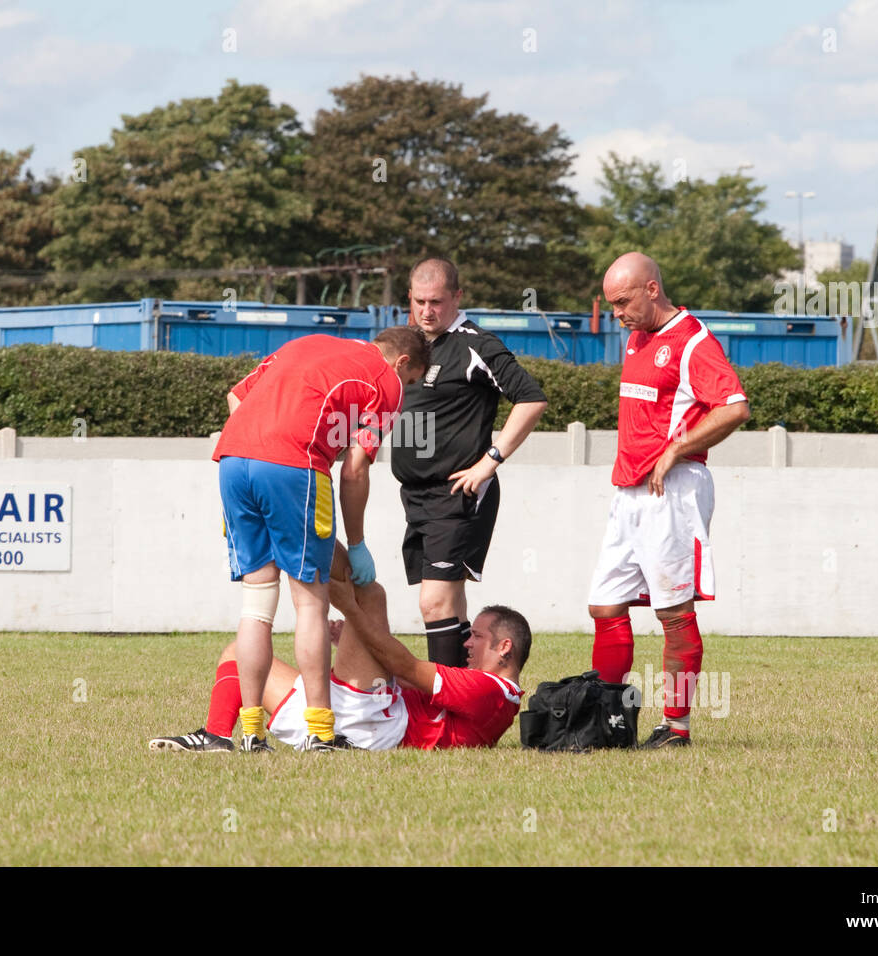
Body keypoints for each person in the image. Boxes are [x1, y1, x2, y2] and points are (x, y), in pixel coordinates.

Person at [213, 327, 429, 753]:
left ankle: (252, 731)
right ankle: (320, 730)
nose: (406, 390)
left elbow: (236, 397)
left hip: (233, 459)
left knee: (256, 605)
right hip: (295, 465)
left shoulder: (307, 342)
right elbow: (355, 469)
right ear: (403, 362)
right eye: (411, 381)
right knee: (311, 602)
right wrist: (358, 540)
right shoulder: (386, 382)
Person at [587, 251, 750, 749]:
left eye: (623, 301)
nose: (617, 313)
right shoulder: (637, 337)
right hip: (629, 493)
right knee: (604, 605)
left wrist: (678, 448)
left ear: (652, 289)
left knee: (673, 613)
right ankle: (607, 721)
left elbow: (736, 406)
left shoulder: (694, 341)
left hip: (672, 492)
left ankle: (676, 727)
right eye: (612, 304)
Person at [150, 544, 529, 752]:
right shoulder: (490, 696)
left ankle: (297, 513)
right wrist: (354, 638)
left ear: (504, 647)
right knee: (236, 654)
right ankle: (216, 737)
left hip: (368, 722)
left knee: (369, 594)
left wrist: (348, 607)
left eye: (477, 636)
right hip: (350, 714)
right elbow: (403, 676)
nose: (467, 641)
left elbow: (402, 664)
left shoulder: (492, 692)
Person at [391, 257, 548, 669]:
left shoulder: (476, 344)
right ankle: (469, 700)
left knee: (434, 601)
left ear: (457, 297)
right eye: (420, 301)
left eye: (437, 302)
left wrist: (490, 461)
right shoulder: (405, 345)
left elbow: (531, 398)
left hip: (457, 493)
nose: (427, 311)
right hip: (416, 496)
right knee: (451, 605)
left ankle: (445, 713)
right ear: (409, 297)